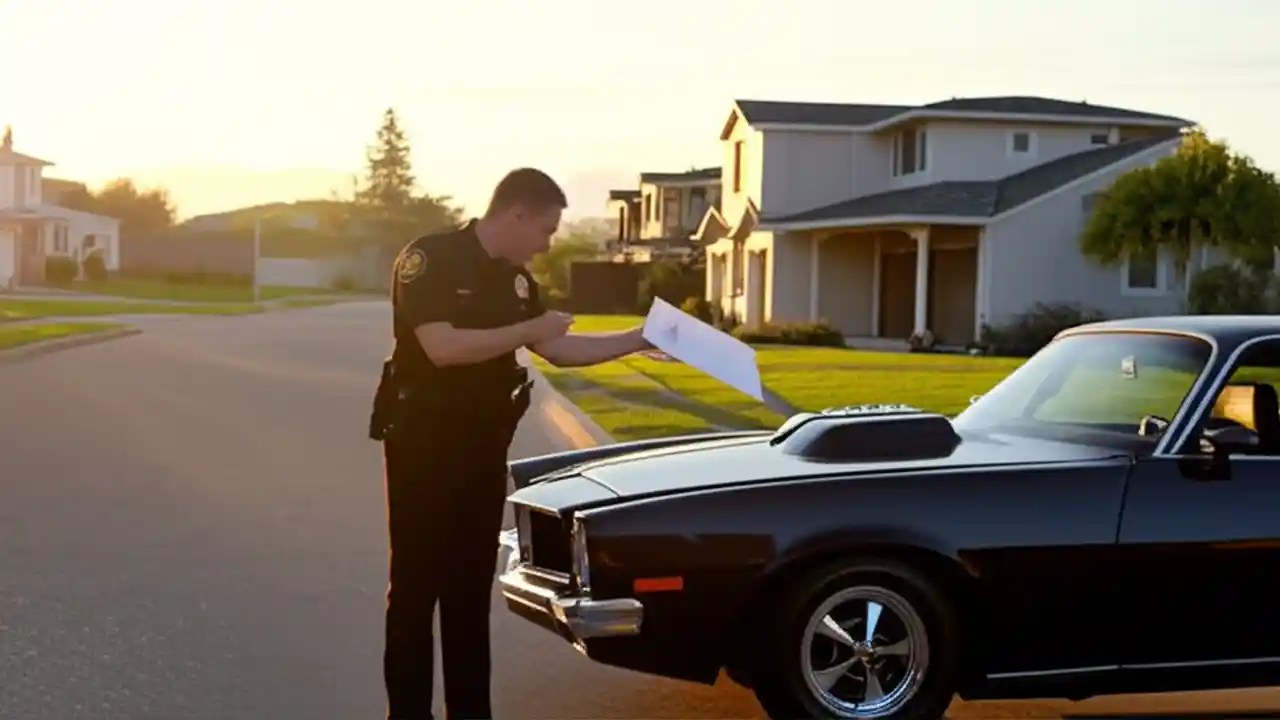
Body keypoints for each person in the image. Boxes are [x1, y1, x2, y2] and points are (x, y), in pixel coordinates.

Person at [370, 167, 652, 720]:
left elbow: (561, 349)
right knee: (414, 589)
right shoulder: (428, 258)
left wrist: (639, 339)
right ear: (516, 214)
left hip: (482, 448)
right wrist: (529, 331)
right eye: (545, 230)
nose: (547, 243)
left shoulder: (517, 281)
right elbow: (443, 347)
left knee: (469, 593)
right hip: (421, 448)